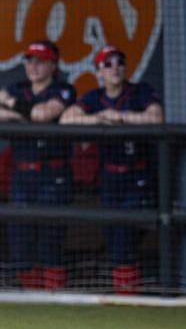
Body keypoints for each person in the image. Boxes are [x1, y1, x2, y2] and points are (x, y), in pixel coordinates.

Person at [0, 40, 76, 290]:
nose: (34, 66)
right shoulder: (18, 87)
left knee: (50, 239)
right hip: (22, 173)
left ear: (53, 65)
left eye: (40, 61)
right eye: (29, 60)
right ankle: (29, 297)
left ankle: (54, 295)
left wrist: (10, 104)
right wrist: (18, 115)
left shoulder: (63, 89)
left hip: (53, 173)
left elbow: (44, 114)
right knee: (21, 238)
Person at [61, 46, 164, 294]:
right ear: (99, 72)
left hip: (138, 175)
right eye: (107, 64)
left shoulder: (140, 92)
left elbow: (156, 117)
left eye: (119, 62)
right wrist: (98, 118)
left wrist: (121, 117)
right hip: (110, 178)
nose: (115, 67)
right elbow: (67, 118)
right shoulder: (94, 98)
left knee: (124, 236)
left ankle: (127, 294)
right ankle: (126, 289)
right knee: (113, 234)